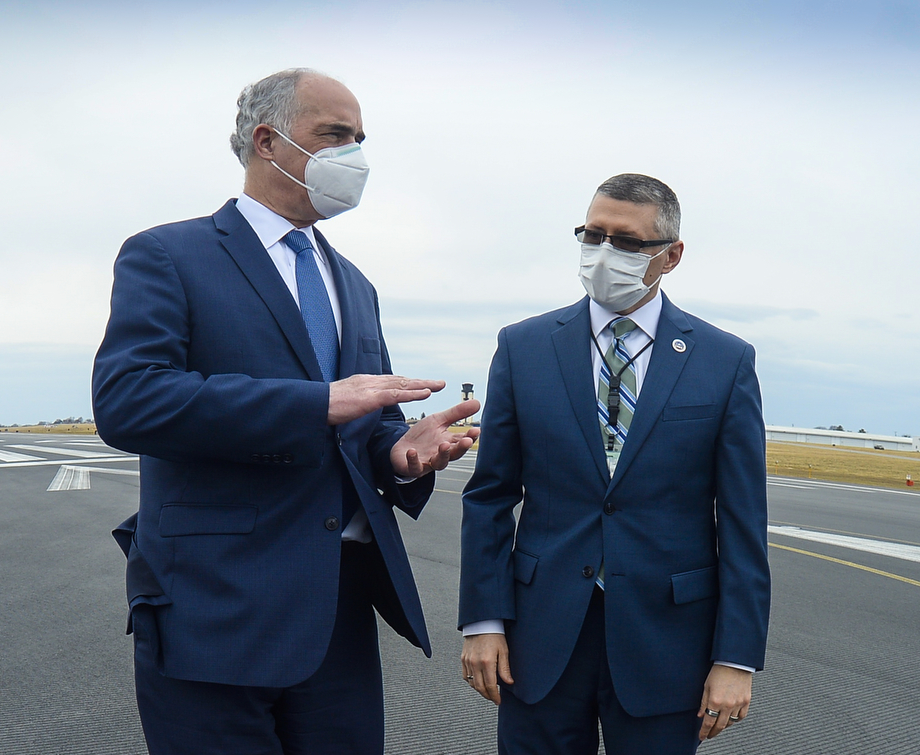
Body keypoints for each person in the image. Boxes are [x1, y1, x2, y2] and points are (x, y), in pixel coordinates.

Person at [92, 68, 479, 754]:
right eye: (334, 136)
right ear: (267, 142)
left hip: (338, 611)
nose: (353, 157)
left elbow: (362, 422)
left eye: (359, 140)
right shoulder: (168, 255)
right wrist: (317, 402)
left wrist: (399, 449)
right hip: (215, 611)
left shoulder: (354, 284)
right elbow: (129, 400)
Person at [457, 174, 772, 754]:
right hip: (541, 635)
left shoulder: (724, 361)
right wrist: (483, 621)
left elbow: (744, 521)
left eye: (626, 242)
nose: (604, 253)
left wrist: (736, 657)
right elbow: (490, 494)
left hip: (668, 643)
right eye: (592, 234)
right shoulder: (523, 347)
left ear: (670, 256)